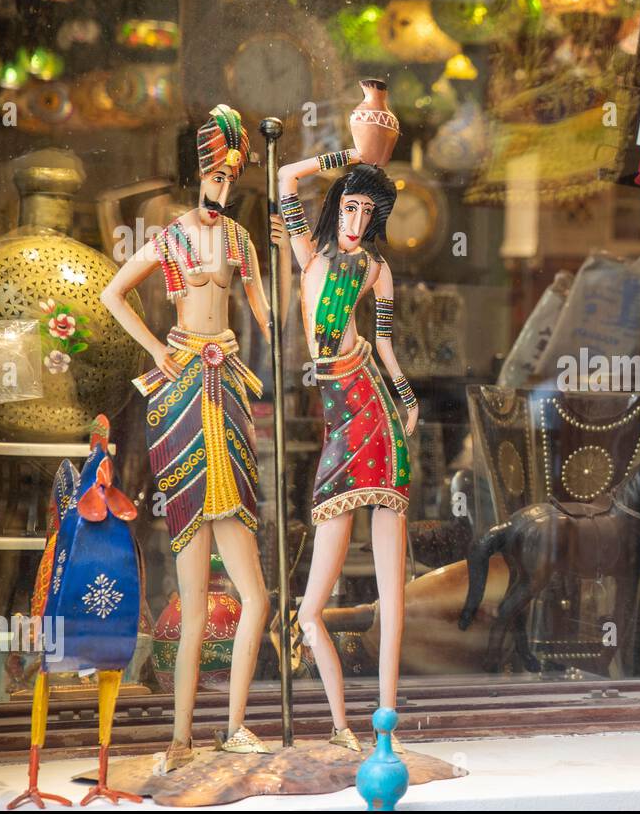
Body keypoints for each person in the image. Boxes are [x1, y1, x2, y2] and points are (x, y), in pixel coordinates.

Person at [101, 105, 272, 771]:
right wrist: (156, 351)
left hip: (226, 393)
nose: (221, 185)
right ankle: (180, 737)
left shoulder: (241, 243)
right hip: (178, 399)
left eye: (231, 176)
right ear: (195, 173)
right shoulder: (171, 237)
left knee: (253, 594)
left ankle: (232, 726)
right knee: (193, 595)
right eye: (213, 173)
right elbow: (116, 294)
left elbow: (267, 314)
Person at [273, 147, 416, 752]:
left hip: (376, 411)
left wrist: (408, 398)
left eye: (368, 211)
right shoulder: (308, 254)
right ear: (337, 207)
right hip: (339, 420)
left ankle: (385, 726)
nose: (356, 221)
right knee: (310, 611)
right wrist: (345, 154)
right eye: (350, 206)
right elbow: (285, 177)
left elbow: (386, 349)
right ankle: (340, 728)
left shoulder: (375, 270)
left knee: (392, 589)